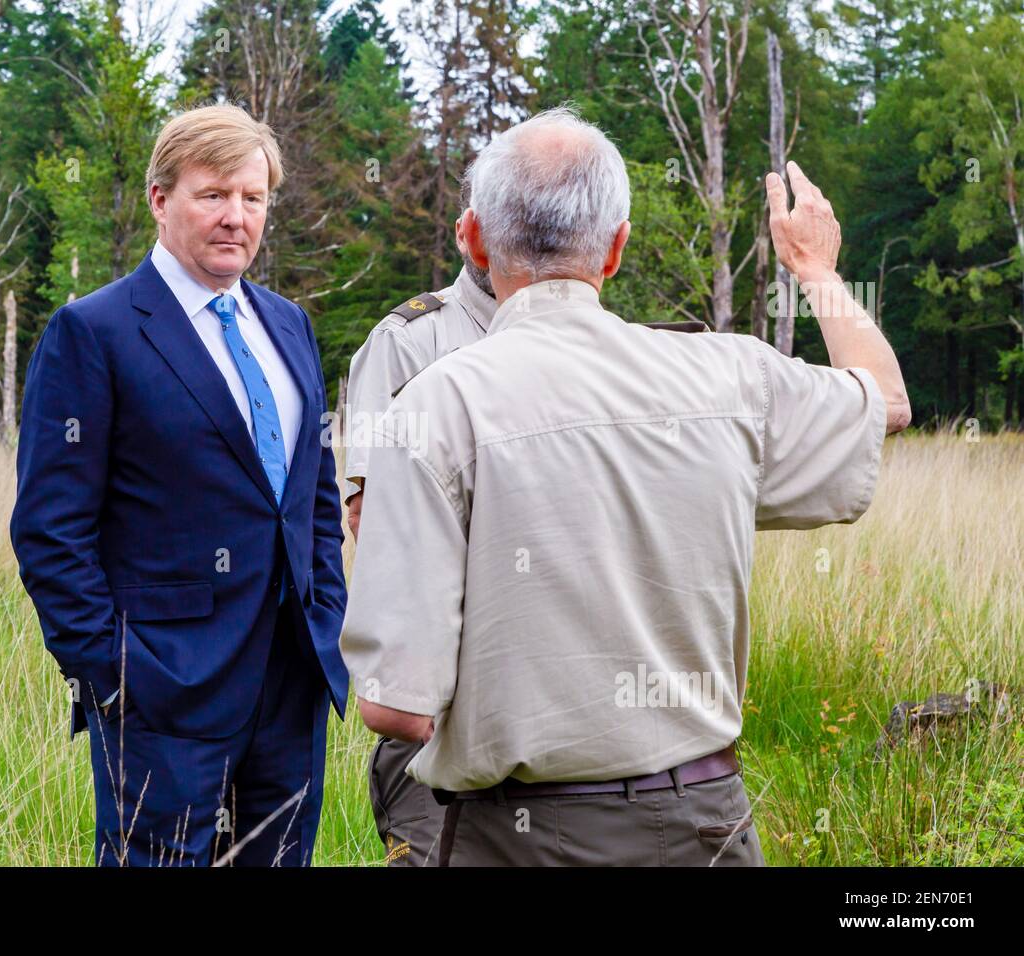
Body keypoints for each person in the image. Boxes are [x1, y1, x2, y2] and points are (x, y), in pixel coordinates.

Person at [340, 106, 910, 866]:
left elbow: (394, 708)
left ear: (474, 237)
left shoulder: (434, 408)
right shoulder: (729, 375)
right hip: (704, 826)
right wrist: (817, 272)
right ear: (616, 248)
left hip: (513, 837)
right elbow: (886, 402)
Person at [10, 104, 348, 867]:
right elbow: (49, 531)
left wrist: (325, 610)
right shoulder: (93, 332)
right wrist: (116, 677)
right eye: (214, 195)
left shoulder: (289, 325)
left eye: (253, 198)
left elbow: (312, 499)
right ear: (161, 200)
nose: (236, 217)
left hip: (291, 688)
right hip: (161, 699)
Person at [343, 185, 498, 866]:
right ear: (472, 233)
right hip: (439, 695)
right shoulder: (412, 338)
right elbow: (369, 512)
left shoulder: (590, 343)